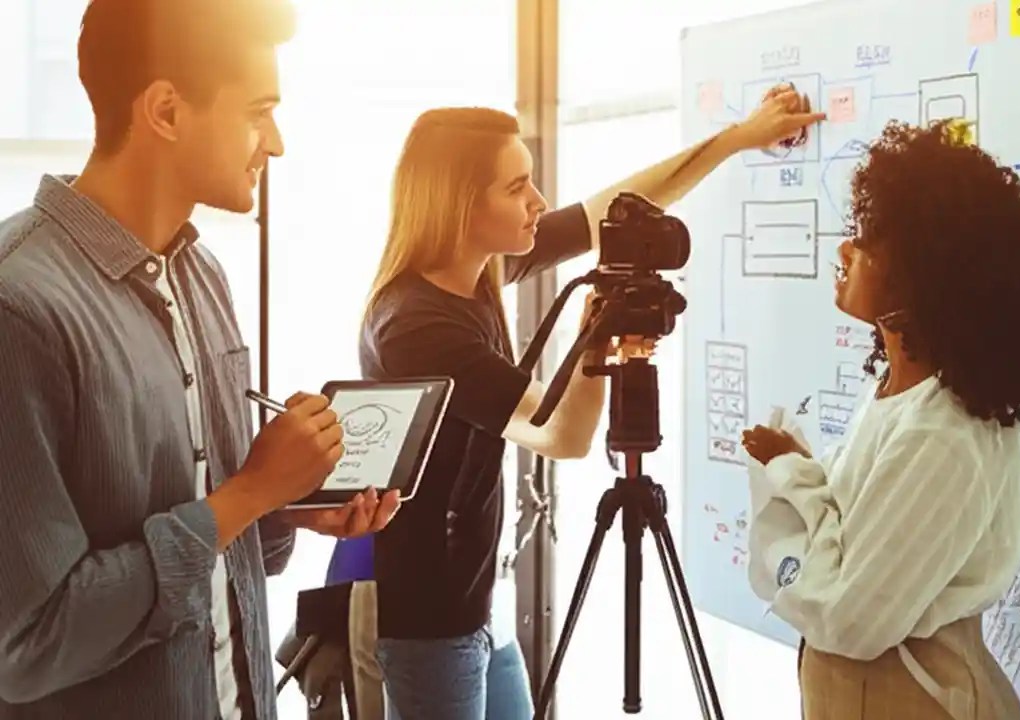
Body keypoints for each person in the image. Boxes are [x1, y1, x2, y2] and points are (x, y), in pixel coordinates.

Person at [360, 95, 824, 719]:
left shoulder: (477, 269)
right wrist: (595, 341)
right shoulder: (416, 325)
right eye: (518, 186)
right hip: (429, 622)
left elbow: (614, 208)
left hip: (472, 604)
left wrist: (738, 139)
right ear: (462, 208)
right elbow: (561, 434)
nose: (539, 203)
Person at [0, 1, 399, 717]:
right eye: (259, 111)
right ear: (166, 111)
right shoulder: (18, 307)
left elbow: (232, 545)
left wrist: (285, 505)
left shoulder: (201, 274)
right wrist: (249, 494)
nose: (274, 143)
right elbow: (27, 646)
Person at [740, 119, 1020, 720]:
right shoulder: (899, 390)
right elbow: (856, 535)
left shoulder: (942, 434)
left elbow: (849, 619)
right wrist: (801, 472)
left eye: (866, 239)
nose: (844, 250)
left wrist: (793, 481)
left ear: (925, 273)